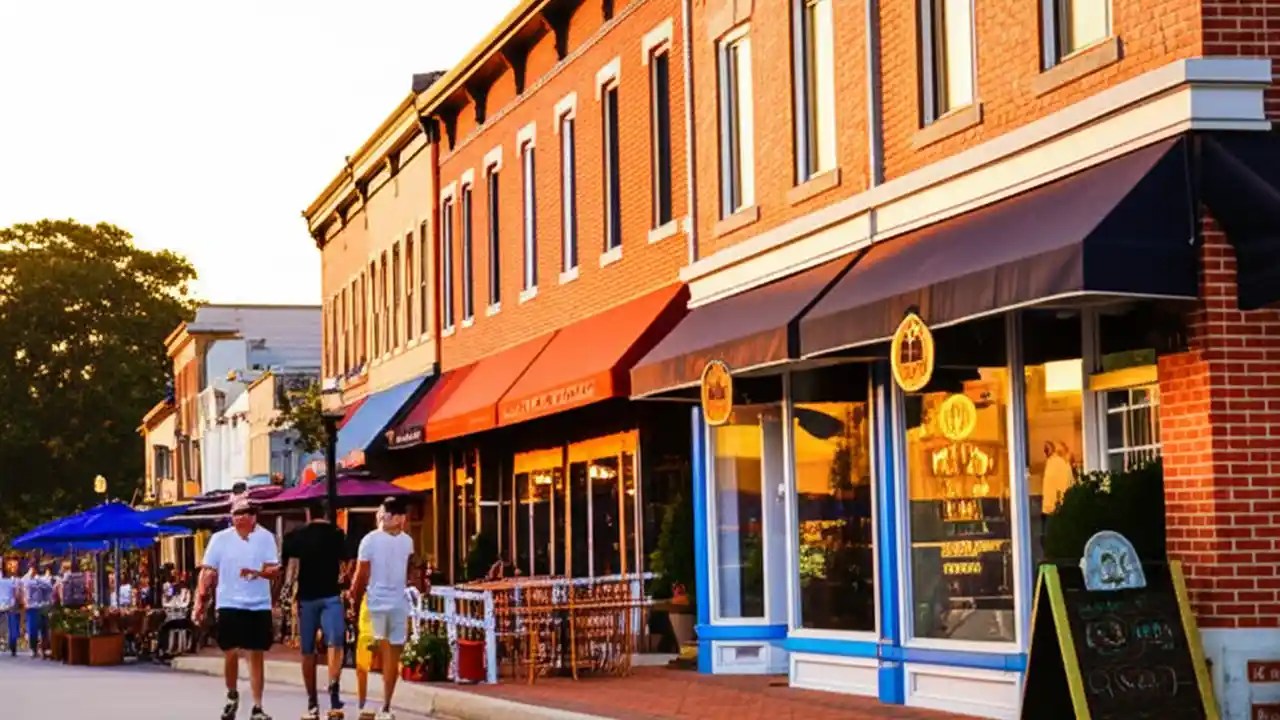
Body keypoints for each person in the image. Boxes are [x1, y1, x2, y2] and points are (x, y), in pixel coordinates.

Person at [193, 498, 280, 720]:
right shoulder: (220, 539)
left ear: (254, 517)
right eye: (236, 513)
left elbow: (274, 570)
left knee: (256, 655)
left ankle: (258, 707)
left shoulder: (266, 538)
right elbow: (208, 572)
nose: (240, 517)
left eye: (246, 513)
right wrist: (199, 602)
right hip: (229, 602)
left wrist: (258, 573)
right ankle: (232, 694)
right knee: (230, 652)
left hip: (258, 603)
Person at [282, 500, 348, 719]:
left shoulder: (297, 535)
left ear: (309, 513)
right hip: (330, 594)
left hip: (307, 597)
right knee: (336, 640)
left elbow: (287, 562)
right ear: (331, 514)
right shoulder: (337, 535)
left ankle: (312, 699)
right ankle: (333, 686)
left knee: (307, 649)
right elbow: (346, 563)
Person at [350, 498, 414, 720]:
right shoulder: (403, 541)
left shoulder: (372, 540)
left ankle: (373, 704)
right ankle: (376, 705)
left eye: (384, 513)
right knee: (383, 656)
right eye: (380, 513)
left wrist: (353, 598)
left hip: (382, 603)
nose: (380, 517)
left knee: (374, 654)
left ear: (398, 518)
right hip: (389, 603)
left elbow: (360, 575)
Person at [20, 564, 54, 658]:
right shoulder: (25, 579)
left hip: (43, 607)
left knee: (44, 628)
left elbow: (49, 588)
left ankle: (44, 649)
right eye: (31, 568)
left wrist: (37, 580)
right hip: (31, 608)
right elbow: (23, 588)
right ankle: (34, 649)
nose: (33, 570)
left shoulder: (43, 578)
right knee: (32, 629)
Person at [0, 565, 18, 656]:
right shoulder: (11, 581)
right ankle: (12, 646)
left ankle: (4, 641)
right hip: (10, 605)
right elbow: (15, 594)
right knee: (12, 626)